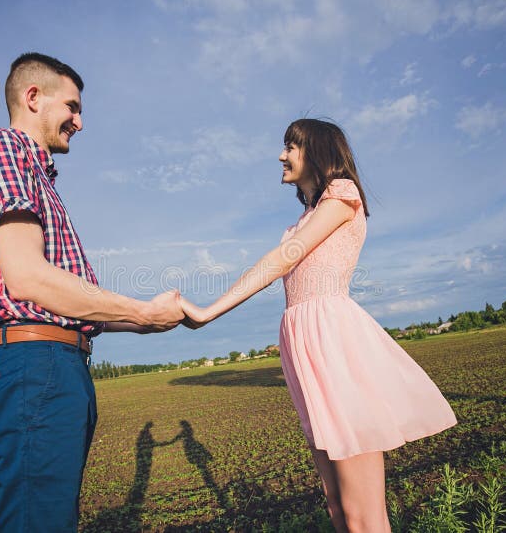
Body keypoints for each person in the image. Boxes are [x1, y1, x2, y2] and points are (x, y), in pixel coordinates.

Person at [0, 52, 184, 532]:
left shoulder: (38, 179)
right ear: (33, 97)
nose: (79, 121)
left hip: (49, 364)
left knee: (49, 518)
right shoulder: (0, 150)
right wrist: (142, 312)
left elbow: (68, 303)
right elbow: (29, 279)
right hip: (32, 366)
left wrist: (147, 319)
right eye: (72, 107)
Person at [179, 118, 457, 532]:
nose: (281, 155)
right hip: (305, 349)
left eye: (291, 146)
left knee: (363, 515)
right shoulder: (301, 221)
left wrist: (208, 310)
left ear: (319, 151)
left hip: (334, 344)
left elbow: (280, 260)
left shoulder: (343, 194)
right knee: (338, 509)